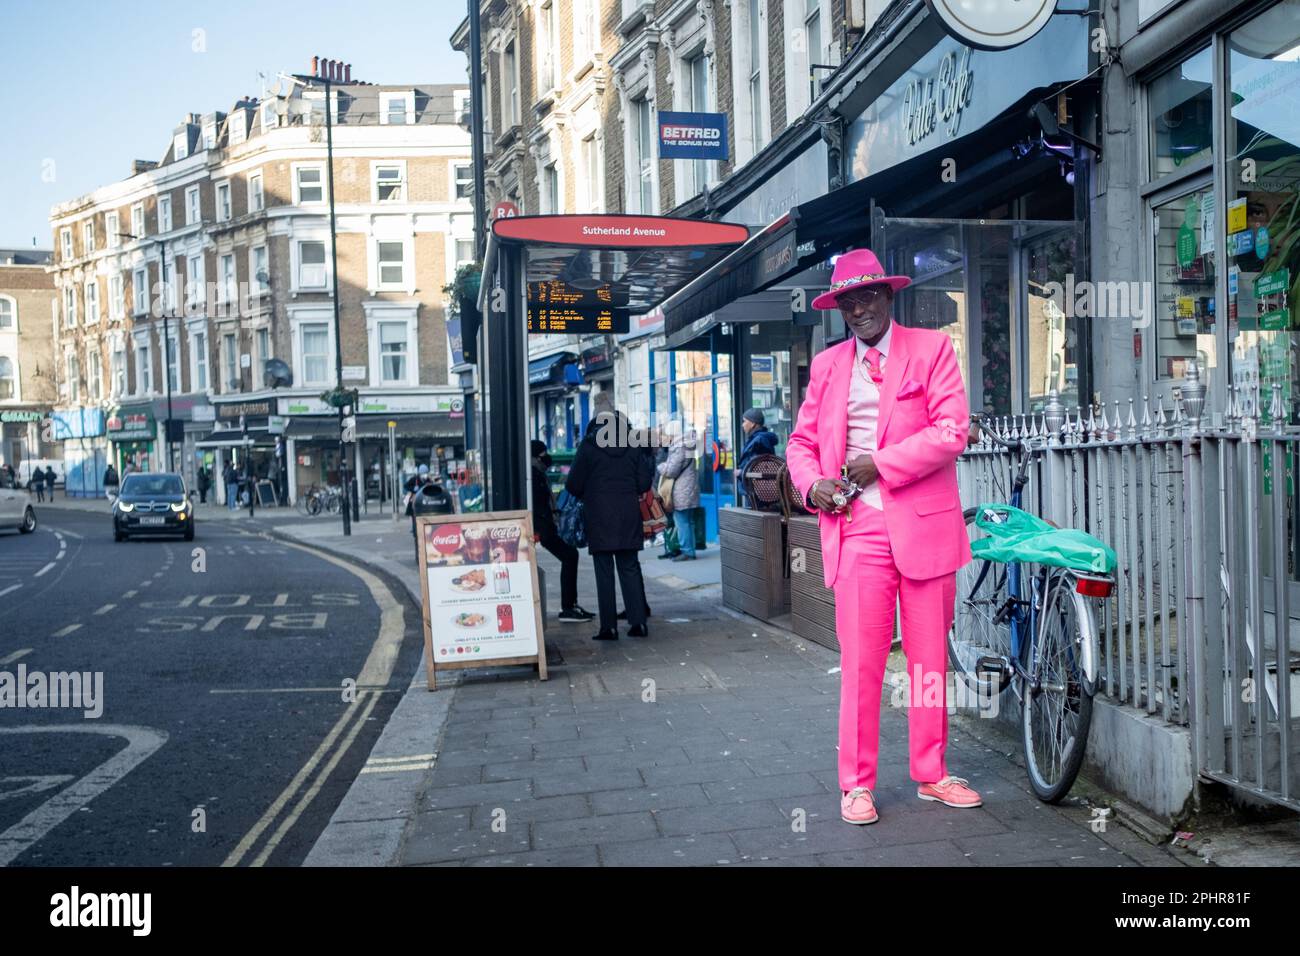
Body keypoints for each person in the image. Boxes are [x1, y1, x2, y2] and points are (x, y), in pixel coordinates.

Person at [786, 247, 977, 827]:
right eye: (848, 299)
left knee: (926, 664)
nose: (859, 308)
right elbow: (800, 445)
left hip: (922, 527)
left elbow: (952, 431)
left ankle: (931, 773)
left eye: (868, 295)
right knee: (863, 663)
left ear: (889, 296)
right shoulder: (827, 366)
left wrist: (881, 463)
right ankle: (856, 785)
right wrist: (814, 482)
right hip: (857, 528)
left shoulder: (933, 349)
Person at [565, 393, 652, 641]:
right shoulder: (632, 446)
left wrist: (590, 493)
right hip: (627, 513)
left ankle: (609, 627)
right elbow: (645, 482)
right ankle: (638, 624)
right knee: (630, 567)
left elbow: (572, 484)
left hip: (599, 514)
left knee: (604, 571)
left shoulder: (589, 447)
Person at [531, 440, 593, 623]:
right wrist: (545, 528)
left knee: (570, 555)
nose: (547, 457)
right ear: (535, 457)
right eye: (543, 454)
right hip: (543, 528)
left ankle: (570, 605)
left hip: (545, 526)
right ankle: (567, 607)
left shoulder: (537, 473)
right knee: (570, 555)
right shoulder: (534, 476)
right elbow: (539, 505)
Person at [656, 420, 700, 562]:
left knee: (681, 520)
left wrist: (660, 466)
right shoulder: (684, 444)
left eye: (661, 436)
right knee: (688, 520)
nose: (660, 439)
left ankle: (687, 551)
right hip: (687, 488)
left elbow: (671, 470)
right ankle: (690, 549)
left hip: (682, 489)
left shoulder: (679, 446)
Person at [735, 408, 780, 508]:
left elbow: (759, 466)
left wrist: (740, 473)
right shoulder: (759, 439)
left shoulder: (759, 441)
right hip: (758, 490)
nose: (742, 425)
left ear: (752, 423)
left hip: (756, 490)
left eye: (744, 421)